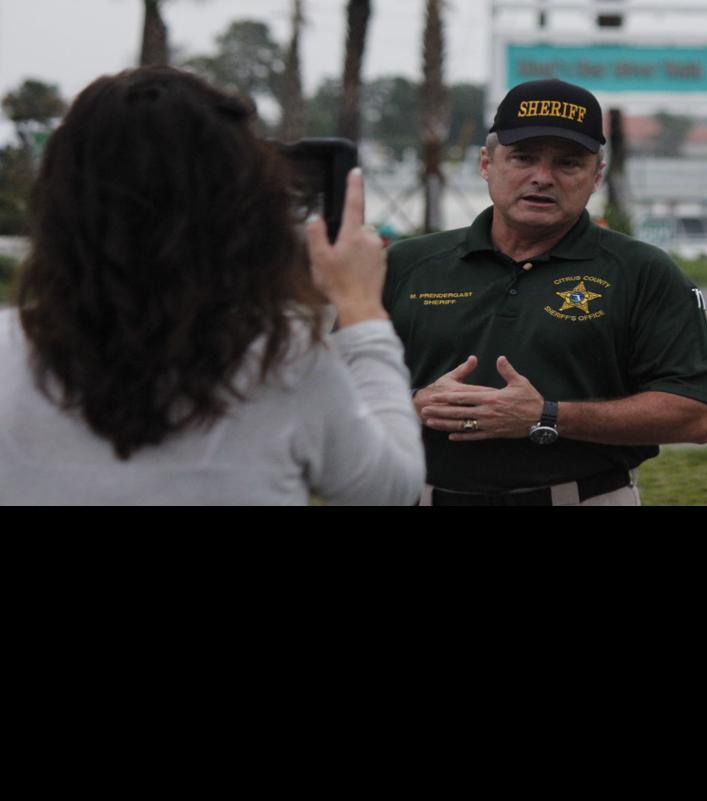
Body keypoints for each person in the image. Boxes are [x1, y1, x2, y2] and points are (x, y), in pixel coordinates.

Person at [0, 67, 423, 505]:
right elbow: (389, 488)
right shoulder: (285, 365)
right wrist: (361, 308)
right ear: (240, 208)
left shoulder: (7, 354)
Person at [385, 79, 707, 506]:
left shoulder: (644, 272)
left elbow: (697, 415)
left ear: (596, 175)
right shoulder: (407, 265)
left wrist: (546, 416)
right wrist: (411, 406)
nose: (542, 178)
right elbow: (335, 391)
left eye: (568, 163)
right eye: (523, 157)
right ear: (486, 163)